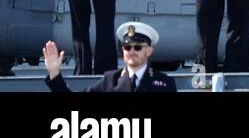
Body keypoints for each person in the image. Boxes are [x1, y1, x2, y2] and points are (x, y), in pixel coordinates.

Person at [43, 22, 175, 92]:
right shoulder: (110, 81)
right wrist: (54, 73)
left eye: (138, 47)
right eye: (127, 47)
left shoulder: (164, 84)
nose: (132, 51)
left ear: (149, 51)